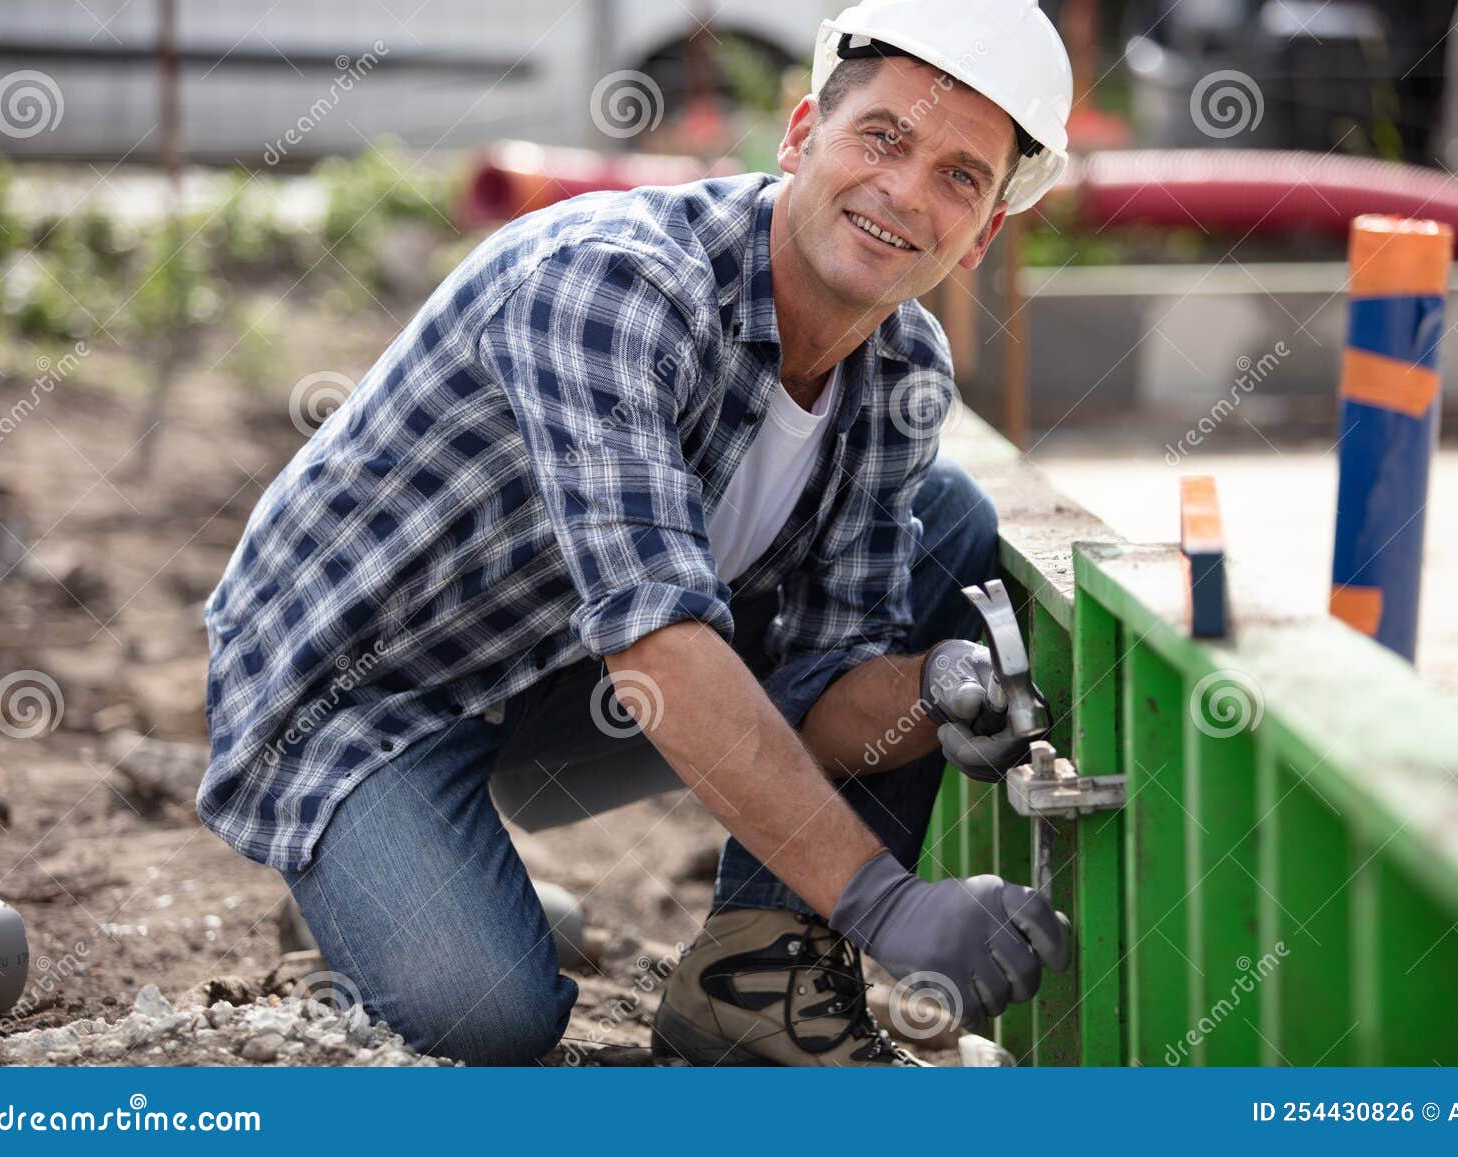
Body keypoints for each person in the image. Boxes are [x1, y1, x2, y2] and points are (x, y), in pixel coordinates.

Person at [199, 0, 1076, 1066]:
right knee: (487, 1018)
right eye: (882, 137)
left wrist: (930, 688)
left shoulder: (902, 374)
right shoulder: (617, 285)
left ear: (982, 232)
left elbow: (826, 688)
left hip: (567, 673)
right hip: (363, 685)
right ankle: (373, 864)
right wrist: (886, 904)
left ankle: (754, 985)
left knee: (951, 519)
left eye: (959, 177)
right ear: (802, 133)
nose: (904, 191)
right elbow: (659, 650)